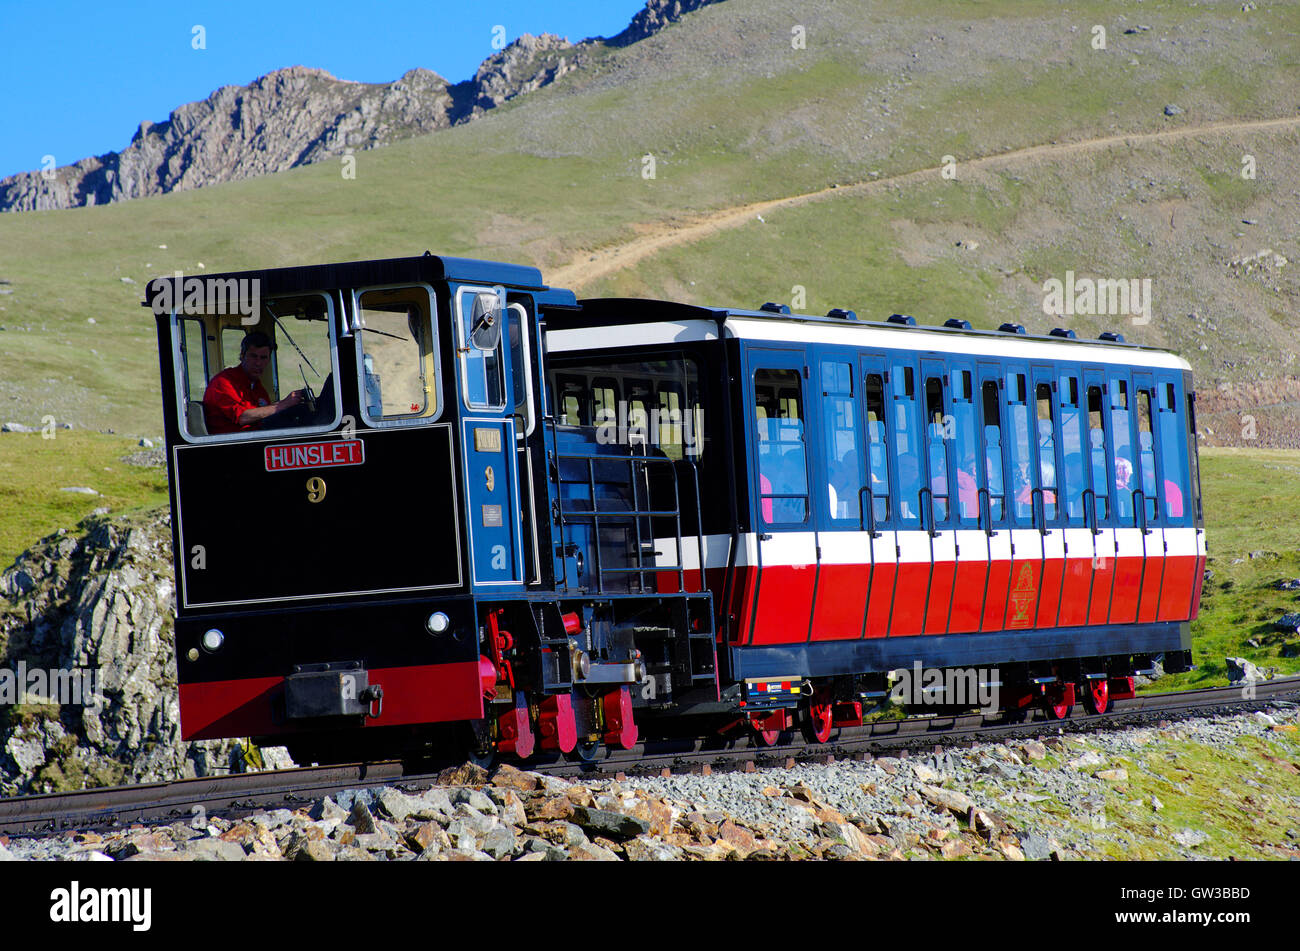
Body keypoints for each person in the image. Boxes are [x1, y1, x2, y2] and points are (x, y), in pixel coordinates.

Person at [203, 331, 305, 435]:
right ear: (242, 355)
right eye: (253, 356)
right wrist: (283, 405)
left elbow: (263, 413)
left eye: (263, 358)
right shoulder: (223, 382)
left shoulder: (256, 386)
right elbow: (242, 417)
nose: (258, 363)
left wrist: (291, 403)